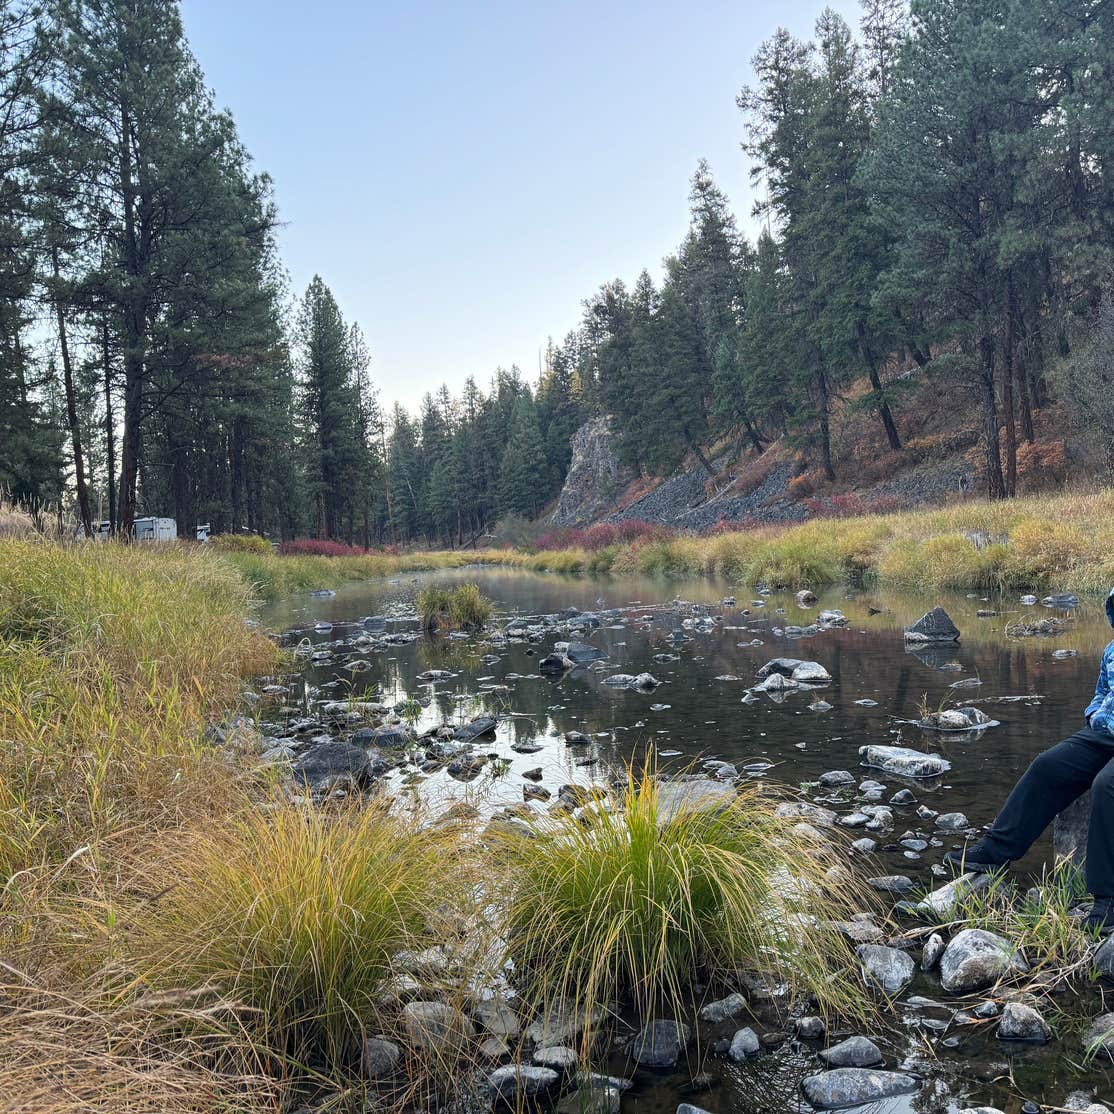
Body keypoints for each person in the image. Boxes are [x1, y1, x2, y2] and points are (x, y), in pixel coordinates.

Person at [944, 586, 1114, 935]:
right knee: (1048, 765)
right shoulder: (1113, 649)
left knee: (1107, 786)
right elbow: (1100, 692)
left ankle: (1107, 898)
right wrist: (1093, 713)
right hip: (1105, 733)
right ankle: (997, 850)